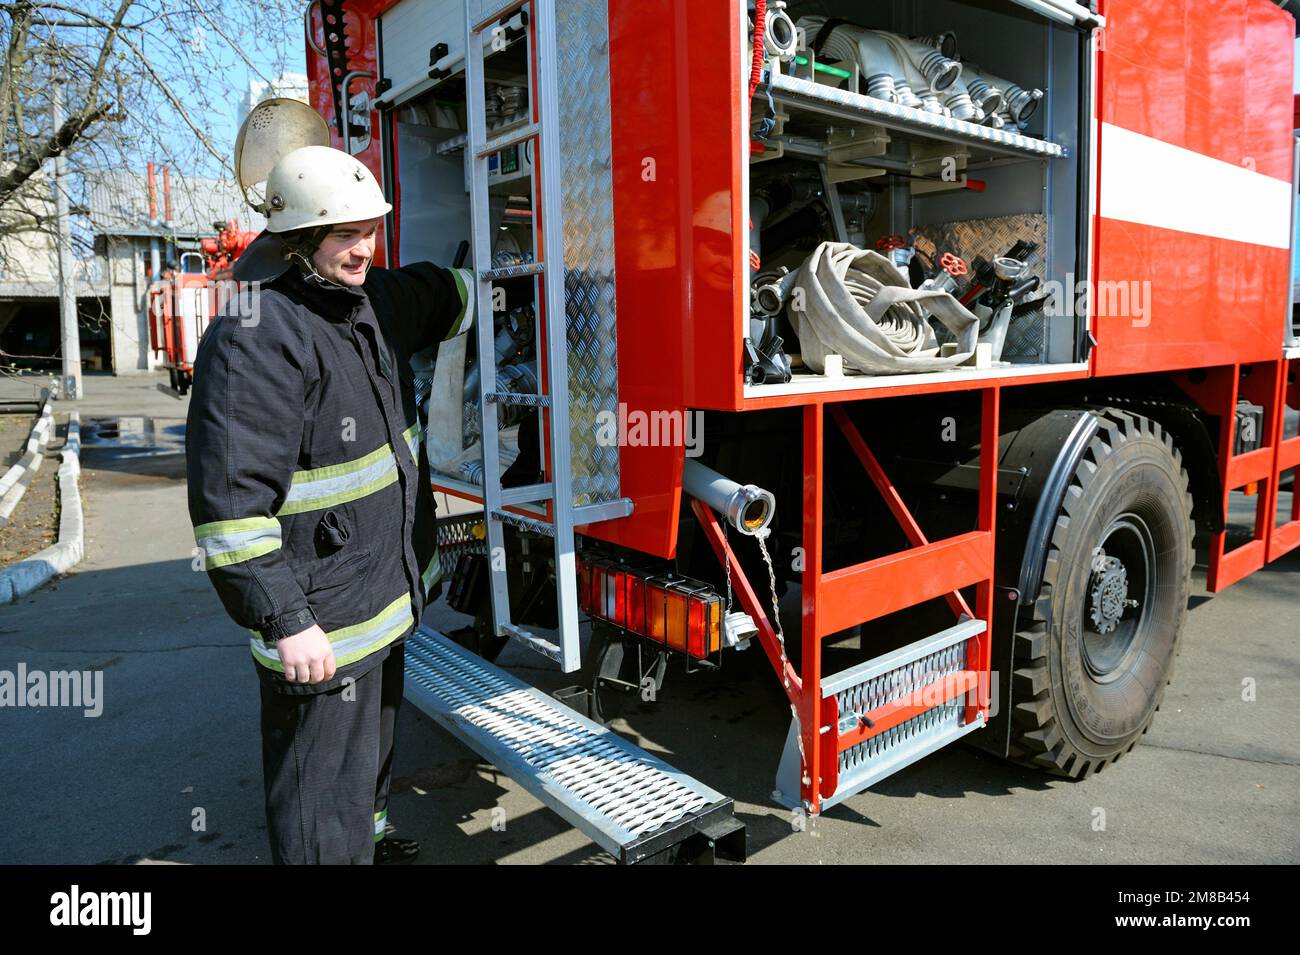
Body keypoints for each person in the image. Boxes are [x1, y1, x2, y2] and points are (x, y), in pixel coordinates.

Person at [185, 143, 474, 864]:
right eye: (345, 234)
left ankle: (369, 844)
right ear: (297, 240)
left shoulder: (370, 299)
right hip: (318, 626)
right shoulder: (255, 336)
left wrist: (524, 277)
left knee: (364, 767)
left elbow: (441, 292)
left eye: (370, 228)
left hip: (377, 602)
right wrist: (286, 622)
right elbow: (229, 508)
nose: (364, 247)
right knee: (318, 795)